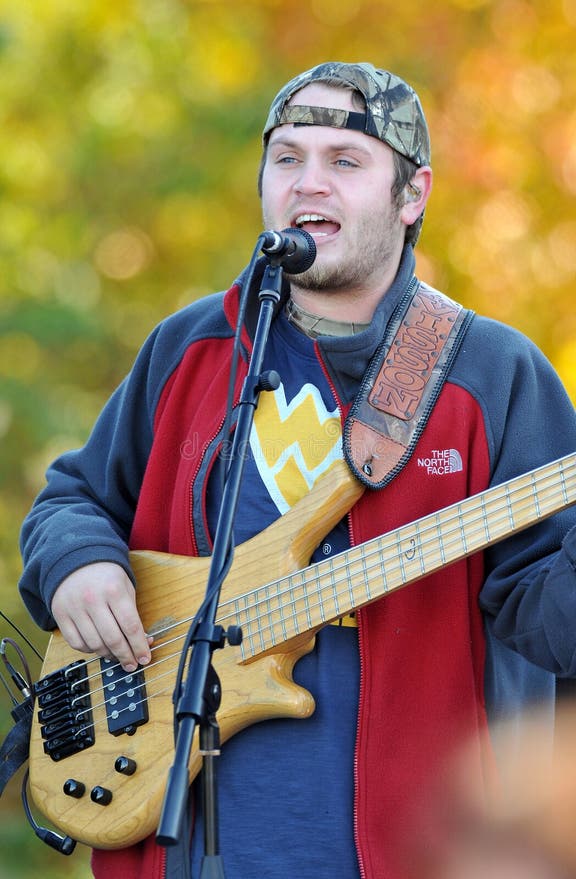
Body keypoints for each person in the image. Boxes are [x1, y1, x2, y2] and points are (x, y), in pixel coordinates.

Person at [17, 61, 576, 879]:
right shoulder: (191, 348)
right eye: (287, 157)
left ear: (411, 194)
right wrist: (78, 564)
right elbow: (74, 497)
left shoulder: (493, 376)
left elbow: (546, 620)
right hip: (192, 847)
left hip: (421, 850)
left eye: (345, 162)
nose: (308, 183)